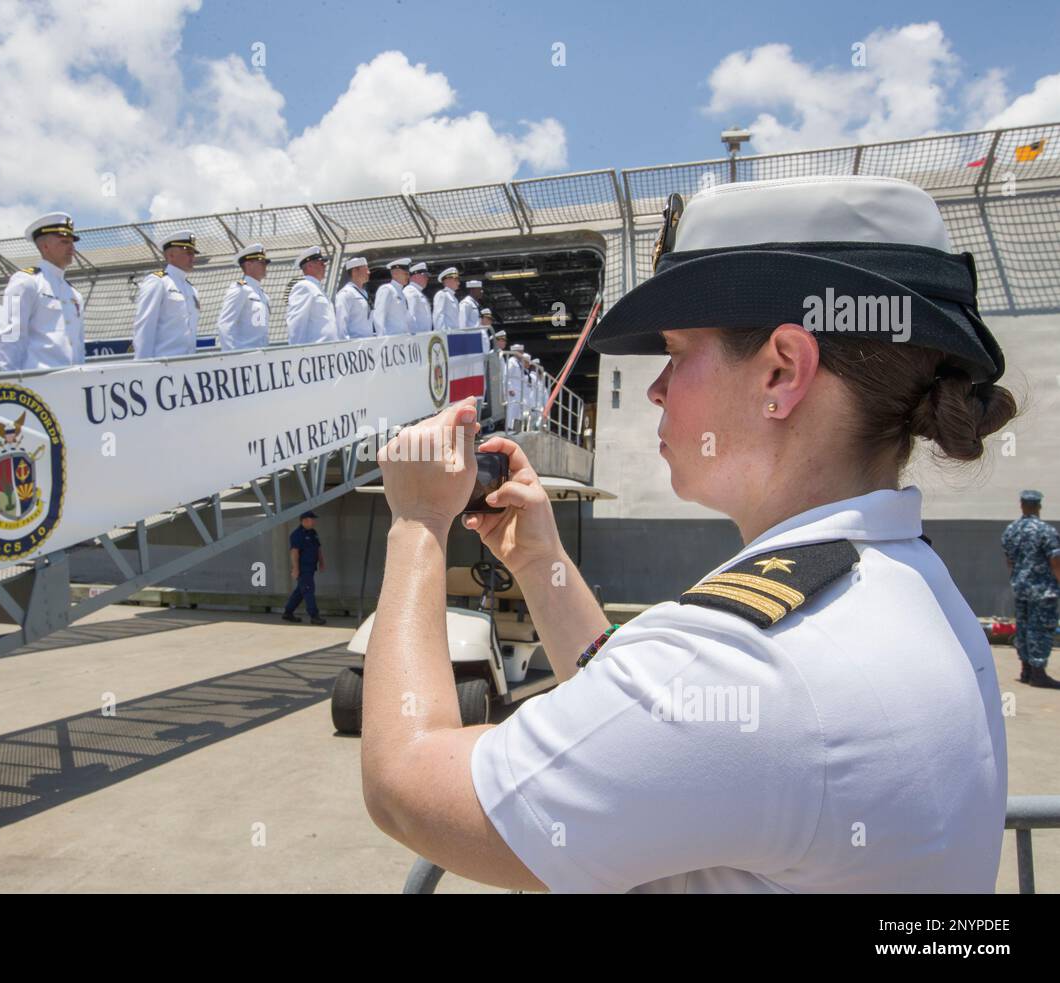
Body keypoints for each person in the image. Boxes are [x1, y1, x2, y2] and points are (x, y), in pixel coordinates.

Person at [358, 175, 1013, 893]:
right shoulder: (908, 585)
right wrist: (540, 561)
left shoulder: (752, 660)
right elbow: (646, 722)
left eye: (676, 351)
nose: (657, 388)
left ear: (781, 370)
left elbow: (407, 783)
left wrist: (417, 522)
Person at [0, 212, 86, 370]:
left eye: (73, 242)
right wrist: (11, 382)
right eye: (65, 241)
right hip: (38, 382)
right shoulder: (26, 281)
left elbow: (78, 343)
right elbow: (11, 336)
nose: (72, 247)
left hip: (73, 381)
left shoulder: (74, 294)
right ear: (45, 246)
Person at [1001, 490, 1060, 688]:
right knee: (1041, 630)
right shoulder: (1046, 531)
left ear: (1022, 505)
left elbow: (1009, 561)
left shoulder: (1011, 530)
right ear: (1039, 506)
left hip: (1021, 588)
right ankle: (1038, 674)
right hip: (1043, 591)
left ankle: (1026, 670)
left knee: (1024, 628)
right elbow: (1055, 561)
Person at [132, 230, 199, 359]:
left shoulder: (191, 289)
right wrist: (142, 366)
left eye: (193, 253)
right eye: (188, 253)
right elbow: (144, 326)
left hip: (188, 364)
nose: (192, 258)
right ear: (170, 255)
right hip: (162, 364)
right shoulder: (158, 282)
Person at [217, 243, 272, 350]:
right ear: (248, 265)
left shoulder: (262, 294)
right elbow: (225, 324)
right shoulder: (240, 289)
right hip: (244, 355)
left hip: (261, 354)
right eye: (261, 263)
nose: (265, 266)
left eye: (265, 263)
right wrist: (233, 356)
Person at [286, 246, 339, 344]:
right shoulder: (304, 287)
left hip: (328, 351)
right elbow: (296, 324)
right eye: (321, 263)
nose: (325, 266)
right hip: (315, 352)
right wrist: (297, 352)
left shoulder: (317, 288)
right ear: (309, 266)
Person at [282, 510, 326, 625]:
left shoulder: (313, 533)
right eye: (312, 520)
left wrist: (321, 562)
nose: (314, 522)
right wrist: (295, 569)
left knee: (301, 591)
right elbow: (294, 552)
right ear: (304, 521)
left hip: (311, 568)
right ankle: (314, 616)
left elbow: (318, 549)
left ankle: (288, 612)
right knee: (308, 590)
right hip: (303, 569)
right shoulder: (297, 535)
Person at [372, 258, 412, 336]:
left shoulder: (402, 293)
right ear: (395, 274)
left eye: (408, 274)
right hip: (391, 340)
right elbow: (379, 316)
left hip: (402, 339)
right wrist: (382, 339)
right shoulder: (387, 289)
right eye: (405, 274)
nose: (408, 277)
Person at [334, 257, 371, 339]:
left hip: (366, 344)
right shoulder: (346, 294)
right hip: (354, 346)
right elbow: (340, 323)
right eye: (365, 270)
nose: (369, 272)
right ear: (355, 271)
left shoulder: (363, 293)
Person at [404, 262, 433, 334]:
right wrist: (414, 336)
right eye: (424, 276)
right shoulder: (410, 291)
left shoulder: (417, 291)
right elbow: (409, 316)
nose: (427, 278)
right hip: (417, 337)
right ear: (415, 276)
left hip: (423, 336)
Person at [503, 343, 525, 432]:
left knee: (517, 410)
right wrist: (509, 388)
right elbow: (506, 376)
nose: (522, 353)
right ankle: (509, 427)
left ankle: (515, 428)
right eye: (520, 352)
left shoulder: (519, 363)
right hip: (512, 390)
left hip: (518, 390)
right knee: (511, 409)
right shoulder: (511, 361)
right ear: (515, 352)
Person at [432, 267, 461, 332]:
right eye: (456, 279)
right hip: (447, 335)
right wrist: (442, 335)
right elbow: (438, 316)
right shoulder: (442, 294)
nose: (458, 282)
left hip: (455, 334)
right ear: (447, 280)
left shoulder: (454, 298)